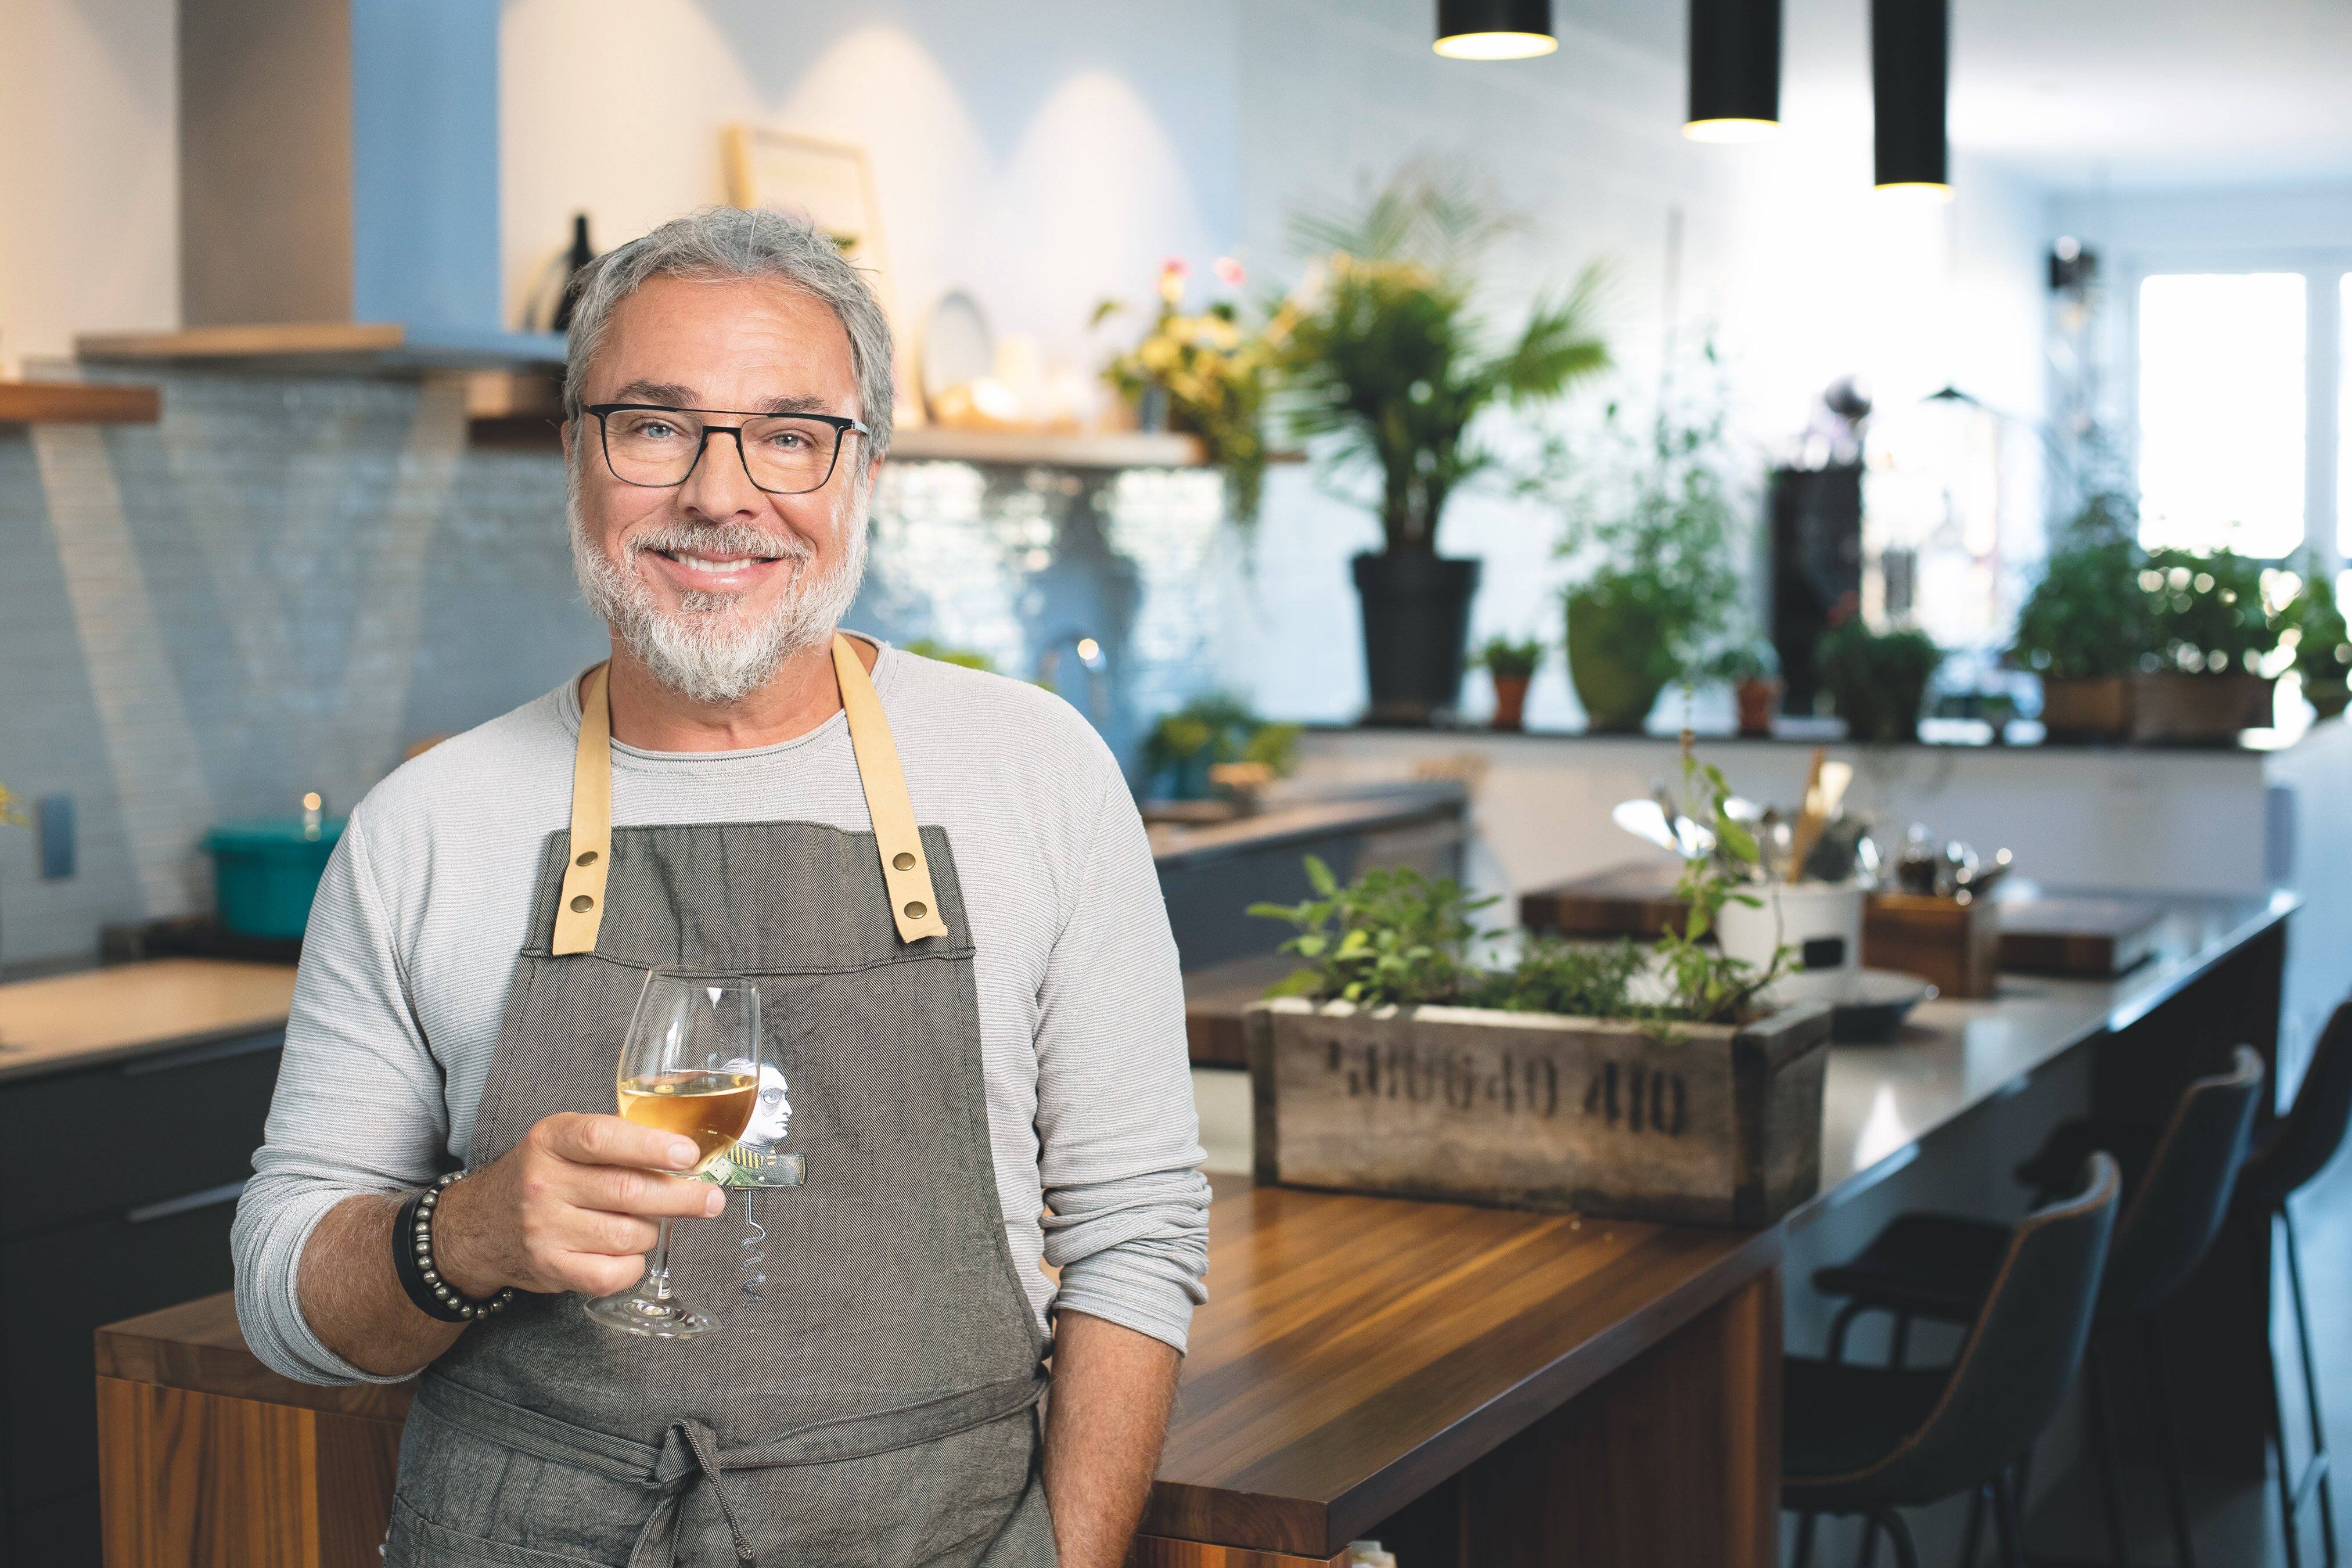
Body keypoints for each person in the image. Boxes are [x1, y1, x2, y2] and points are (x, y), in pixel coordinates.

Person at [232, 205, 1210, 1567]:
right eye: (654, 424)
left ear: (863, 469)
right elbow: (281, 1301)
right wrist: (464, 1234)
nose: (719, 492)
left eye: (790, 434)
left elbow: (1136, 1233)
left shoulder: (1035, 774)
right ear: (575, 451)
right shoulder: (426, 828)